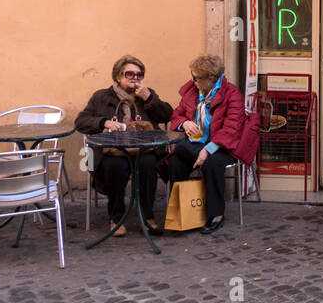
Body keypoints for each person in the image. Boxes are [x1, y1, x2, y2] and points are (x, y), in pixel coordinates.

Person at [75, 55, 175, 235]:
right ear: (118, 76)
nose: (135, 78)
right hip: (113, 151)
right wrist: (103, 122)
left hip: (144, 149)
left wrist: (150, 99)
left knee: (148, 164)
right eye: (130, 74)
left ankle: (147, 216)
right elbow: (81, 121)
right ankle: (116, 218)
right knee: (115, 166)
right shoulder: (101, 97)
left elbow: (167, 116)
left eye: (139, 74)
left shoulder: (146, 94)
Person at [168, 54, 245, 235]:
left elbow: (231, 129)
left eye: (196, 78)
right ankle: (181, 213)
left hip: (222, 146)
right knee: (175, 162)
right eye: (192, 76)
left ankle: (216, 214)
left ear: (211, 78)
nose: (193, 81)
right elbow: (176, 116)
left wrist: (207, 151)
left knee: (211, 163)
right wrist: (184, 123)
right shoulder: (191, 92)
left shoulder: (231, 94)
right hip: (195, 145)